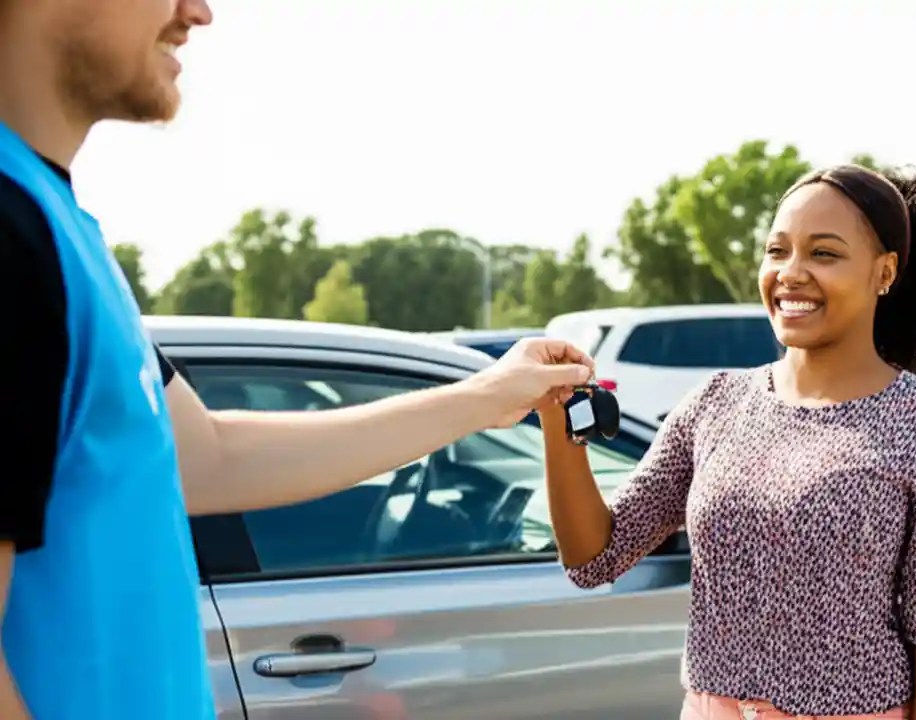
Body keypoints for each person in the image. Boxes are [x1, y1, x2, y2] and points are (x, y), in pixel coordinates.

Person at [0, 2, 593, 718]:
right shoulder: (10, 232)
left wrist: (487, 394)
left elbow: (208, 455)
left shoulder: (58, 226)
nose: (198, 11)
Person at [539, 164, 916, 719]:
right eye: (777, 251)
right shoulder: (716, 404)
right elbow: (594, 557)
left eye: (823, 254)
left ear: (884, 272)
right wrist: (560, 429)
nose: (791, 272)